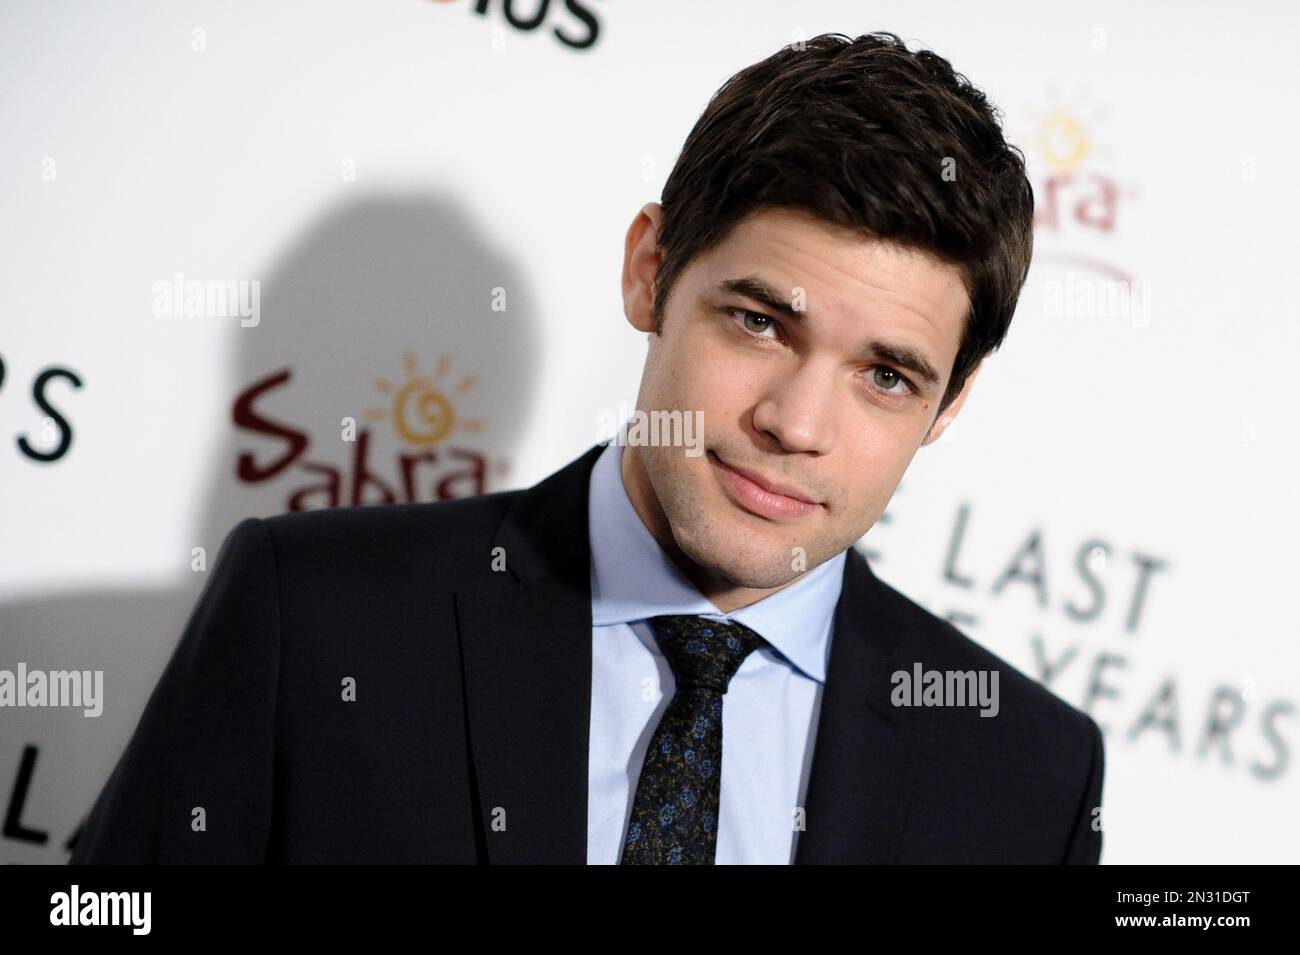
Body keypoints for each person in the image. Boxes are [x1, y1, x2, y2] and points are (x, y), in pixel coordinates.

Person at [71, 31, 1104, 865]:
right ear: (649, 271)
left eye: (885, 376)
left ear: (949, 404)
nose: (796, 424)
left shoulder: (1024, 777)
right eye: (758, 323)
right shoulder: (315, 614)